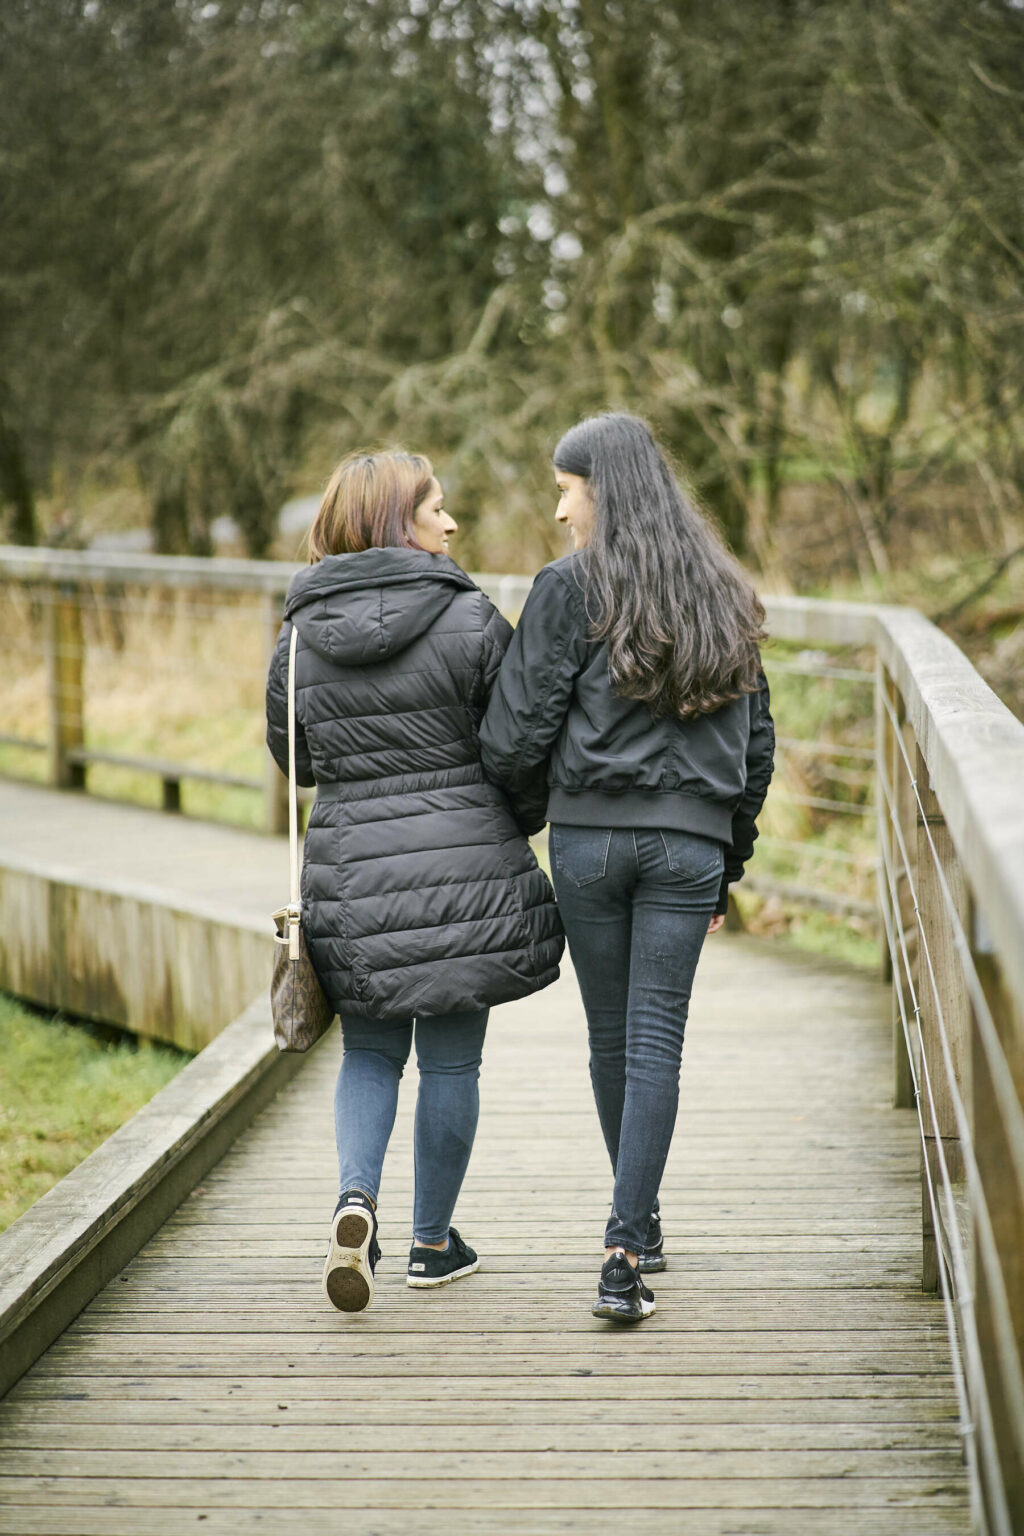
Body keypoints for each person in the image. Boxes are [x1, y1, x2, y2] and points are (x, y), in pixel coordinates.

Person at [479, 413, 774, 1323]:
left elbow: (514, 733)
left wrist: (542, 814)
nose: (560, 510)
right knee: (656, 1044)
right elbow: (756, 746)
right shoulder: (723, 589)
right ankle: (627, 1238)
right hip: (688, 844)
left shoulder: (569, 589)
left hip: (591, 843)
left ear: (600, 488)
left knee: (612, 1039)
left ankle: (633, 1230)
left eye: (566, 490)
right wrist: (727, 857)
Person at [266, 449, 564, 1314]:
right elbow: (516, 744)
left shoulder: (298, 635)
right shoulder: (469, 617)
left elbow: (297, 759)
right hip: (466, 866)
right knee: (452, 1061)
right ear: (401, 521)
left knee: (367, 1051)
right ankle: (432, 1244)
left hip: (354, 873)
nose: (452, 522)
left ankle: (355, 1200)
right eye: (437, 507)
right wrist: (518, 820)